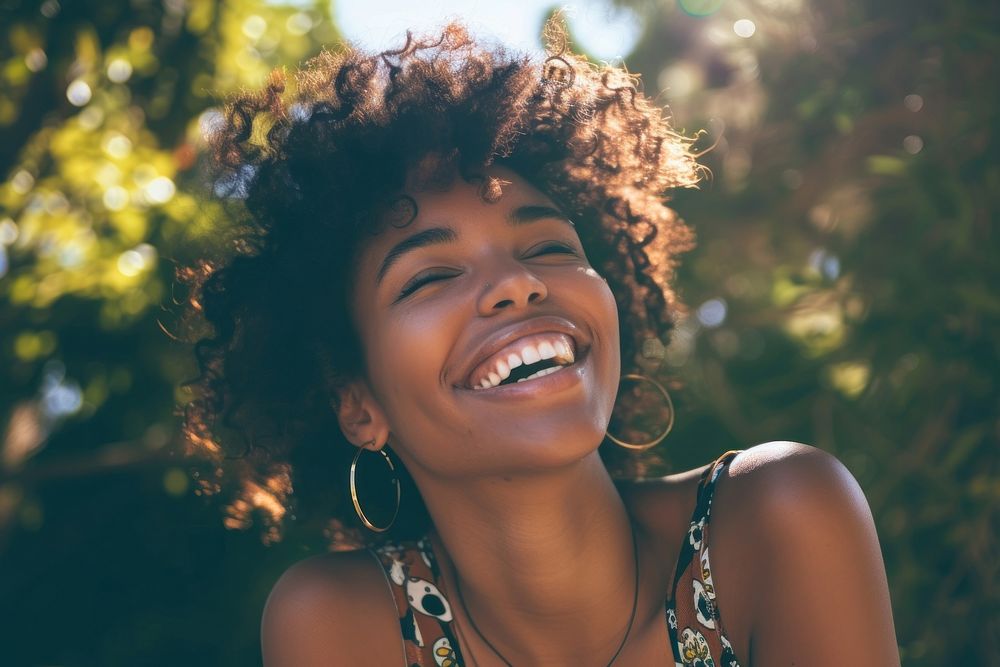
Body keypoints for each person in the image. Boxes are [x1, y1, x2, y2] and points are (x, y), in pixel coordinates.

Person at [181, 20, 900, 666]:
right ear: (359, 405)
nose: (516, 284)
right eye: (429, 276)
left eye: (549, 244)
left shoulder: (777, 518)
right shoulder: (343, 625)